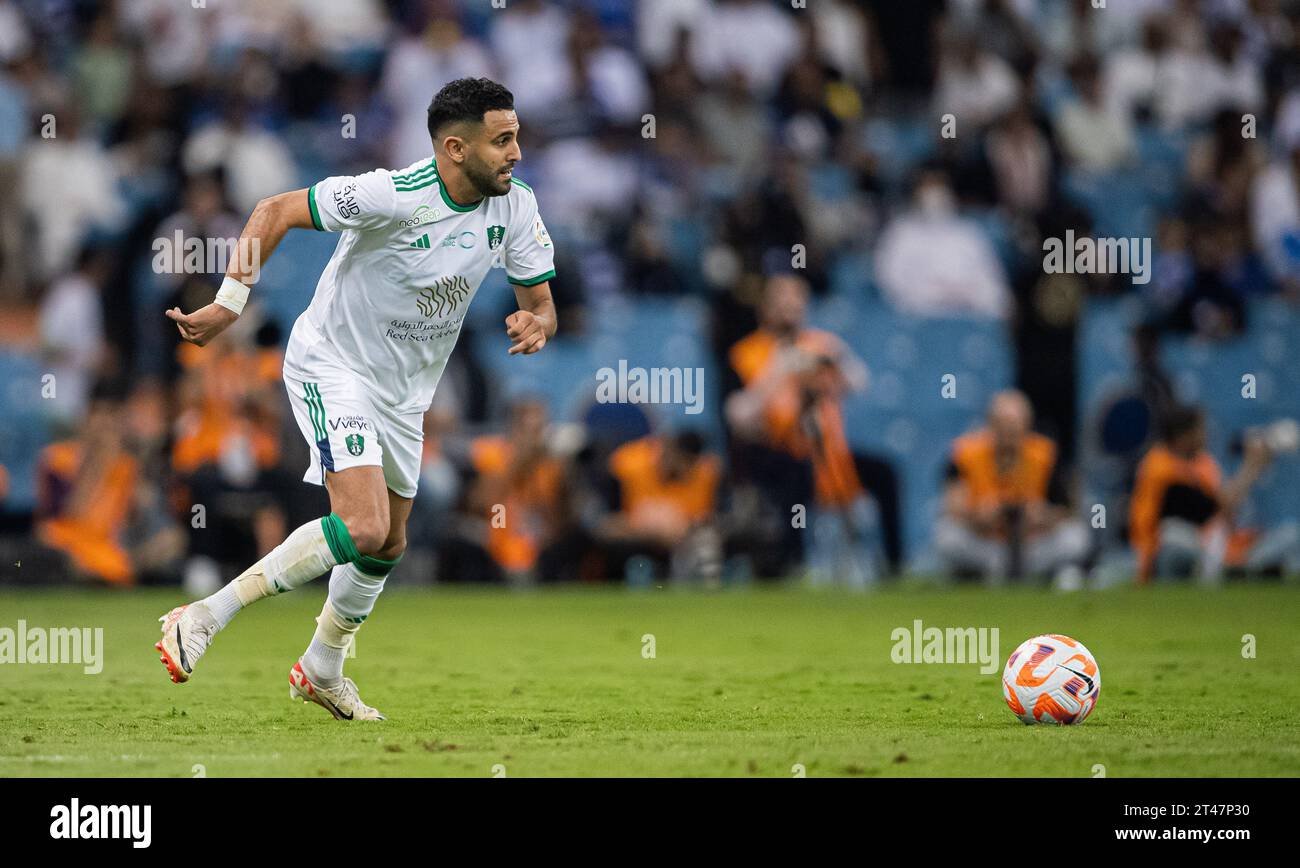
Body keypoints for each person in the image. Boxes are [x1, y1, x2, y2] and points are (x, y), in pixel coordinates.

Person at [155, 78, 558, 721]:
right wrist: (230, 303)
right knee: (365, 525)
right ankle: (204, 613)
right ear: (455, 148)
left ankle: (321, 667)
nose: (516, 153)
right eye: (502, 141)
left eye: (517, 138)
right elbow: (275, 210)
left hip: (405, 393)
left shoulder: (517, 207)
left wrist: (539, 322)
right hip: (333, 364)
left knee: (388, 543)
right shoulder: (392, 194)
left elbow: (540, 302)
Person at [727, 273, 901, 582]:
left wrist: (833, 358)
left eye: (796, 302)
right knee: (795, 473)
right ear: (765, 309)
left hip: (828, 449)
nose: (789, 310)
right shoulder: (747, 353)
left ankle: (893, 564)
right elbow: (738, 414)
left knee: (885, 473)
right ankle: (794, 564)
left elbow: (860, 382)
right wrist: (780, 369)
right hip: (776, 450)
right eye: (781, 303)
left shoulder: (821, 344)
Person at [936, 390, 1090, 587]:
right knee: (947, 536)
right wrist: (978, 515)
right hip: (988, 544)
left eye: (1014, 427)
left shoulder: (1046, 455)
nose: (1009, 434)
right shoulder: (966, 454)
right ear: (990, 425)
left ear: (1027, 425)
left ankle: (1039, 573)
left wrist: (1043, 515)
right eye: (1003, 426)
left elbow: (1070, 509)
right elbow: (953, 508)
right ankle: (978, 573)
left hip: (1032, 545)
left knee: (1075, 536)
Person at [1130, 405, 1295, 583]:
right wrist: (1252, 466)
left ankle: (1237, 571)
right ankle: (1234, 572)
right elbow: (1206, 510)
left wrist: (1254, 467)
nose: (1206, 435)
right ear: (1183, 436)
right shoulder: (1159, 466)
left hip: (1213, 548)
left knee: (1289, 535)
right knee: (1174, 535)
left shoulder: (1204, 463)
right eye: (1201, 429)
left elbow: (1225, 513)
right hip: (1162, 551)